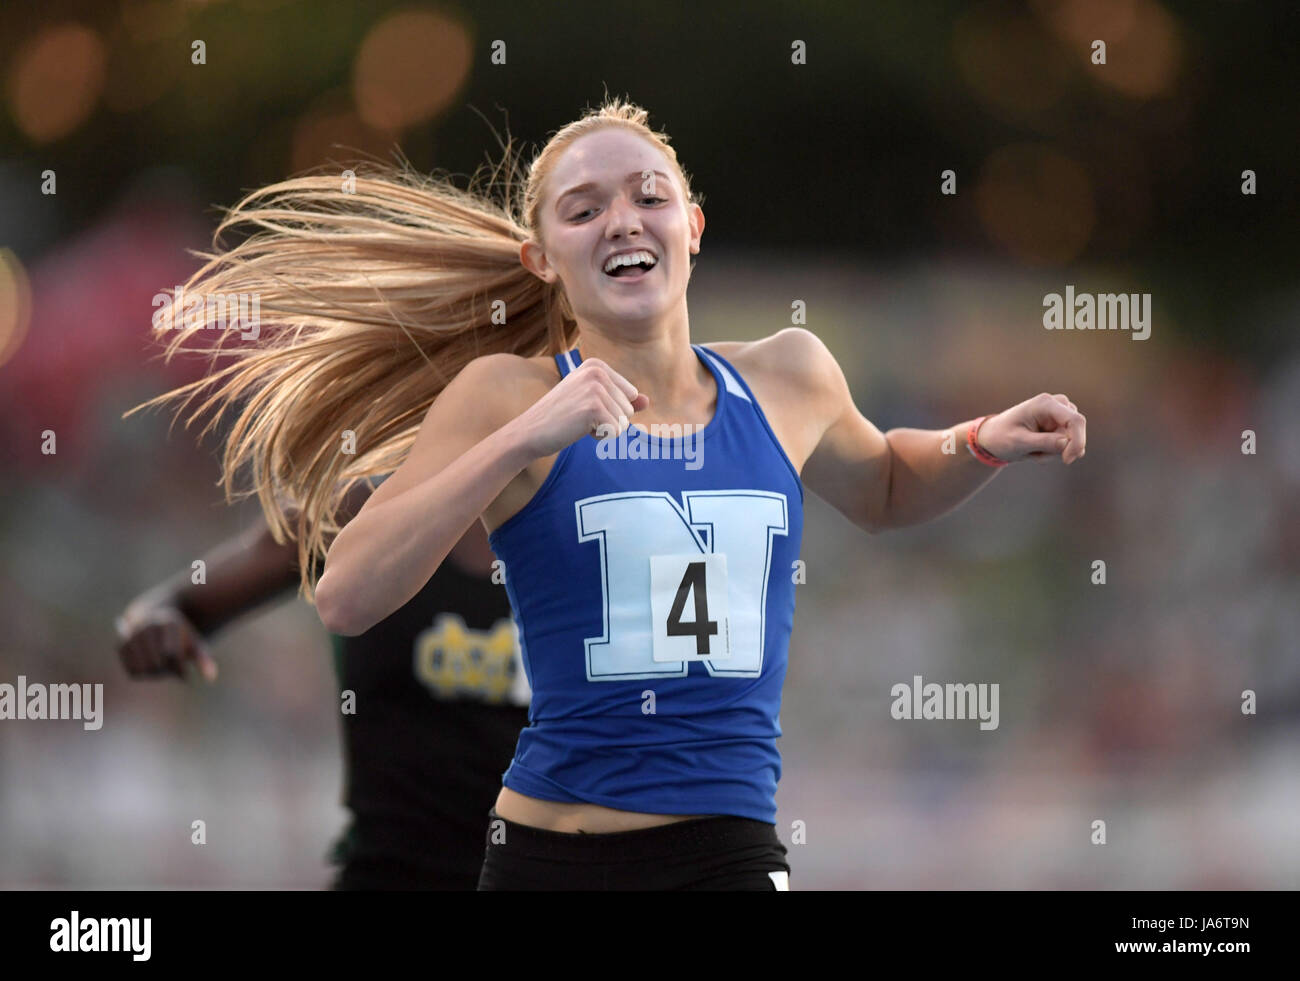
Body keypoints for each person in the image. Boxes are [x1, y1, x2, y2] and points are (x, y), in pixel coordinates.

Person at [134, 98, 1086, 890]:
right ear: (543, 258)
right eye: (583, 209)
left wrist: (978, 443)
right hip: (555, 856)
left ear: (692, 226)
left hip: (728, 845)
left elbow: (882, 481)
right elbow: (346, 590)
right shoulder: (506, 394)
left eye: (649, 195)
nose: (624, 219)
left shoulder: (789, 376)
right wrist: (527, 434)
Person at [114, 487, 530, 890]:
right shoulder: (355, 510)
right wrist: (154, 625)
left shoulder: (582, 522)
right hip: (388, 873)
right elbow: (170, 604)